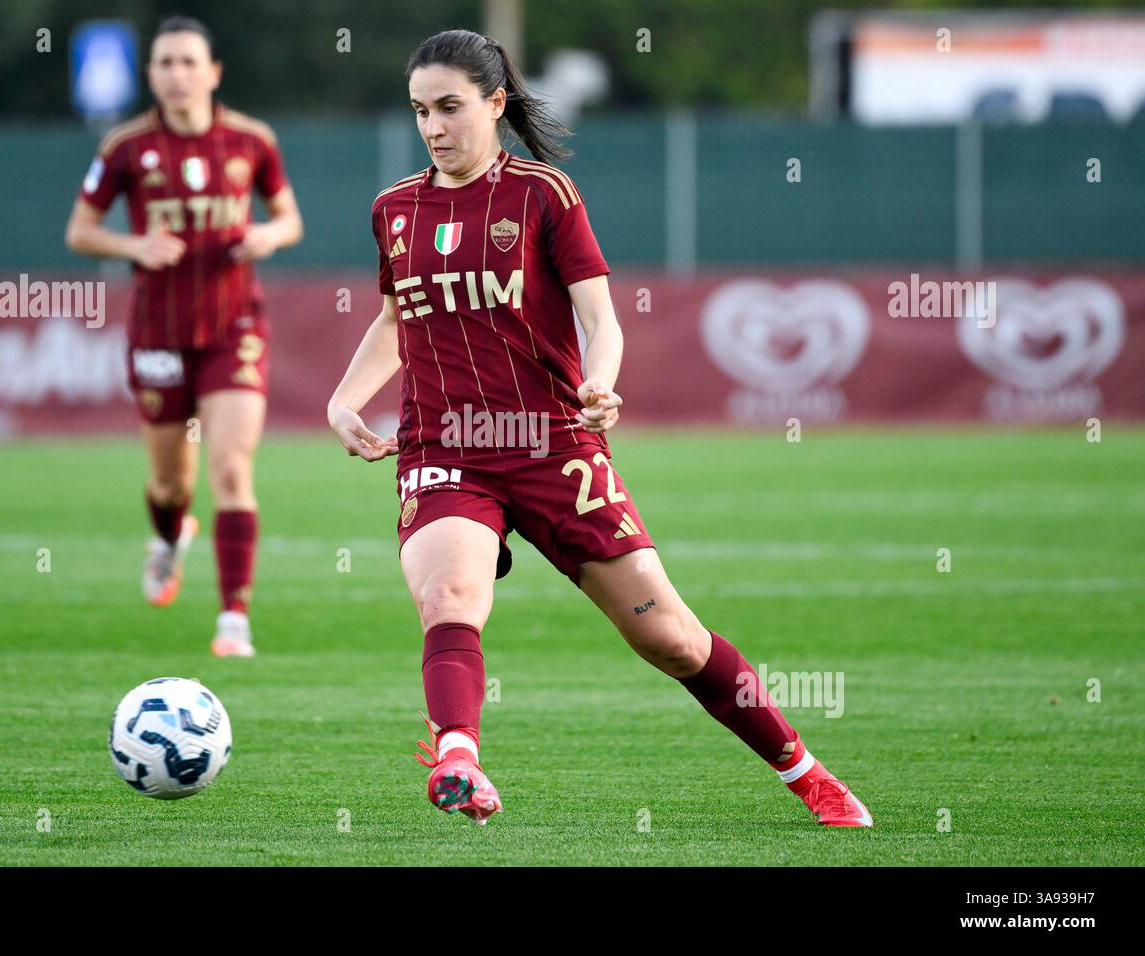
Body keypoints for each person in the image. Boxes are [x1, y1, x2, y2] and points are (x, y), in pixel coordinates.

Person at [328, 29, 871, 827]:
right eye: (419, 112)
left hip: (551, 440)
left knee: (672, 641)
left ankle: (807, 772)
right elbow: (394, 320)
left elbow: (600, 319)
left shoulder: (545, 195)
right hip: (444, 446)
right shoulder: (394, 211)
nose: (434, 127)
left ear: (495, 103)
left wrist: (600, 382)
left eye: (449, 107)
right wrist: (346, 399)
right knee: (451, 593)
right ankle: (458, 757)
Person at [65, 16, 303, 657]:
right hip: (160, 332)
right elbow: (80, 231)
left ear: (213, 72)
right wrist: (132, 243)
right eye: (165, 63)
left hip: (235, 328)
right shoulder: (125, 147)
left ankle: (233, 620)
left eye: (188, 62)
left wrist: (267, 236)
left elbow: (289, 218)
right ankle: (170, 538)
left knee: (230, 467)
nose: (177, 74)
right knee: (170, 483)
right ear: (151, 75)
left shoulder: (252, 140)